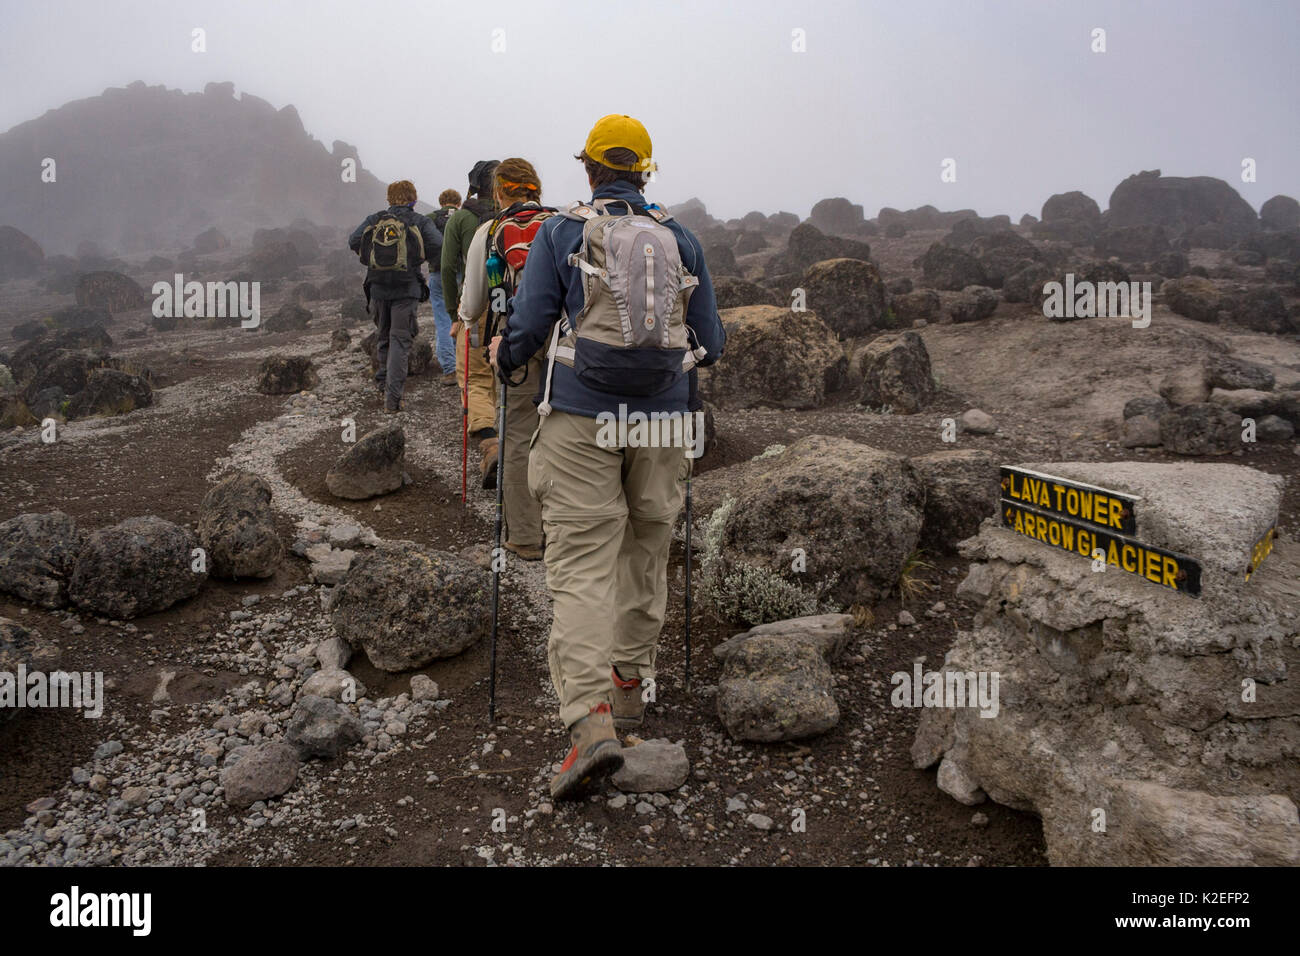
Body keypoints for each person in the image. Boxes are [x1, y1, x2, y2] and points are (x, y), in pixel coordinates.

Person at [490, 115, 725, 800]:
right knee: (646, 551)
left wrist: (505, 354)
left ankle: (590, 726)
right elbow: (710, 339)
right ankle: (629, 700)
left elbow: (530, 327)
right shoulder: (680, 238)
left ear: (589, 170)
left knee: (583, 564)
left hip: (580, 420)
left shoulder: (564, 231)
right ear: (644, 173)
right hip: (662, 423)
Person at [459, 158, 552, 555]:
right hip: (569, 346)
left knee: (516, 436)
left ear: (499, 191)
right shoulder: (562, 225)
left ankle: (526, 537)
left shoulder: (490, 231)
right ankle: (566, 527)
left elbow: (475, 298)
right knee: (565, 434)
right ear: (536, 188)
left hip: (515, 344)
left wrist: (465, 320)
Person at [348, 180, 443, 413]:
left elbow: (353, 240)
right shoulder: (419, 221)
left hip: (377, 287)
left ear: (389, 199)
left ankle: (382, 385)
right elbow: (438, 244)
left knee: (383, 337)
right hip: (406, 288)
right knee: (400, 341)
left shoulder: (375, 219)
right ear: (413, 198)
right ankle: (393, 399)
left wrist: (372, 259)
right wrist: (419, 259)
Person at [443, 161, 500, 482]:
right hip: (522, 307)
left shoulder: (463, 218)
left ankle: (491, 446)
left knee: (476, 379)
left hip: (478, 308)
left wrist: (455, 315)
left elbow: (448, 267)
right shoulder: (521, 217)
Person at [428, 189, 462, 386]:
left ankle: (450, 369)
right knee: (464, 317)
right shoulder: (463, 217)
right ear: (458, 202)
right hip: (460, 274)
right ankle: (465, 363)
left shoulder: (430, 218)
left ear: (441, 202)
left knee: (443, 319)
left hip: (437, 273)